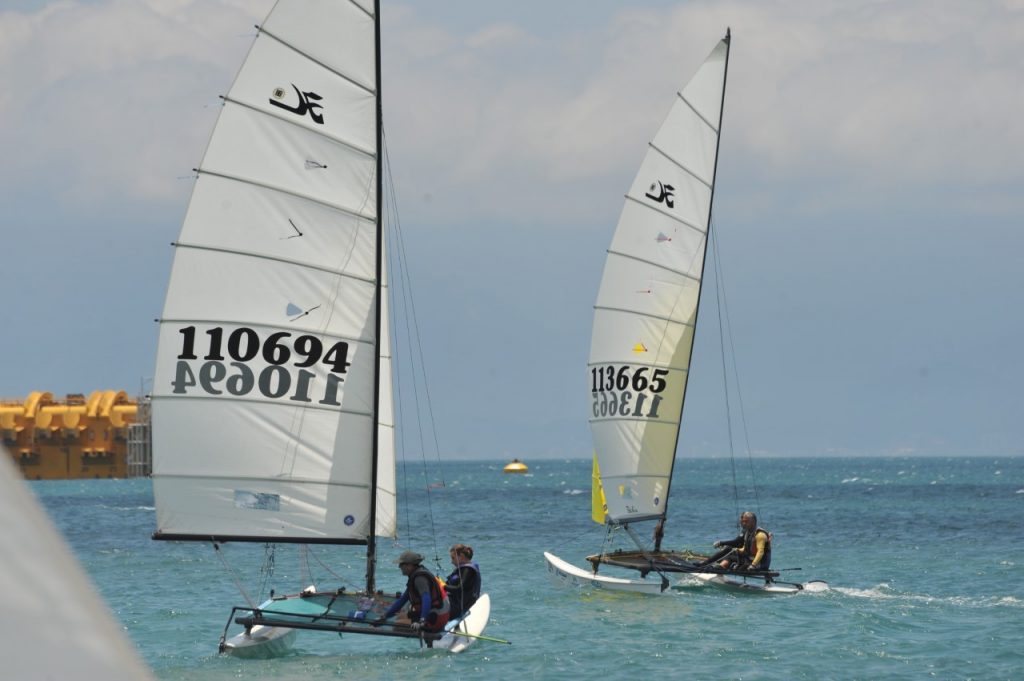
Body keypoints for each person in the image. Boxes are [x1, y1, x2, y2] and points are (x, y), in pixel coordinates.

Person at [376, 550, 450, 635]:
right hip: (436, 613)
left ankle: (427, 639)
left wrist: (422, 620)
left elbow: (426, 599)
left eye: (401, 564)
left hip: (436, 617)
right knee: (400, 616)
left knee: (397, 625)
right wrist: (385, 617)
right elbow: (402, 601)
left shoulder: (419, 579)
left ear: (409, 565)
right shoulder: (415, 576)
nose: (399, 567)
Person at [699, 511, 772, 572]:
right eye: (743, 521)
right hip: (750, 560)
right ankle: (720, 567)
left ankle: (719, 567)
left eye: (746, 522)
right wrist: (736, 550)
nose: (743, 523)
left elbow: (760, 552)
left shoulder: (760, 535)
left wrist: (753, 565)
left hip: (760, 564)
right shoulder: (747, 533)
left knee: (738, 567)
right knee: (731, 554)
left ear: (753, 522)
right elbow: (744, 549)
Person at [445, 543, 481, 620]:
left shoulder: (468, 570)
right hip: (459, 602)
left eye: (453, 558)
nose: (451, 562)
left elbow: (459, 588)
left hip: (460, 607)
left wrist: (443, 587)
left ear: (461, 556)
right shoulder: (466, 568)